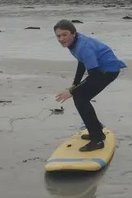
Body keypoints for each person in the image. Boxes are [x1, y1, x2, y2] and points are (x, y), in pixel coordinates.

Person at [53, 20, 126, 152]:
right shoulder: (74, 43)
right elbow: (82, 62)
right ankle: (97, 131)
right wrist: (74, 85)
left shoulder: (83, 46)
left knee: (80, 98)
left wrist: (72, 91)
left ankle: (97, 139)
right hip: (101, 70)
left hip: (107, 71)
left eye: (64, 35)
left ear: (73, 33)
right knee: (80, 97)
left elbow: (94, 75)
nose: (61, 39)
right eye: (58, 36)